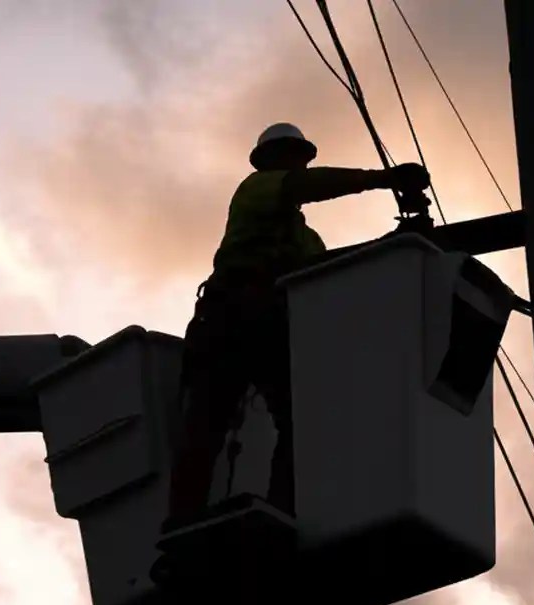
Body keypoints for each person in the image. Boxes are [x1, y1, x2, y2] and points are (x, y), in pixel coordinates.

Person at [160, 122, 430, 535]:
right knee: (208, 420)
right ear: (268, 160)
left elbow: (331, 274)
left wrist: (395, 242)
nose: (296, 165)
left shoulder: (306, 239)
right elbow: (306, 187)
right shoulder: (256, 189)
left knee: (297, 421)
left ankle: (280, 510)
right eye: (289, 156)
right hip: (228, 318)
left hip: (269, 325)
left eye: (299, 157)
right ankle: (181, 519)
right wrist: (384, 179)